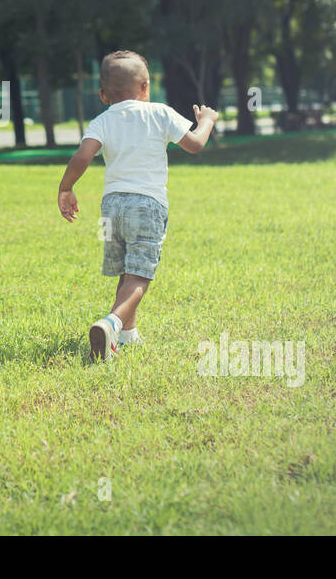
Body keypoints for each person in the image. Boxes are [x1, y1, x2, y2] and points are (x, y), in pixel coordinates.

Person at [57, 50, 217, 362]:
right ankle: (111, 324)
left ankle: (127, 335)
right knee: (140, 276)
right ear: (145, 87)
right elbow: (195, 144)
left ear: (103, 95)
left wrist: (66, 188)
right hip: (148, 205)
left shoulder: (102, 120)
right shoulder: (159, 113)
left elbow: (82, 157)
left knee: (126, 271)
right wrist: (207, 120)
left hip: (112, 208)